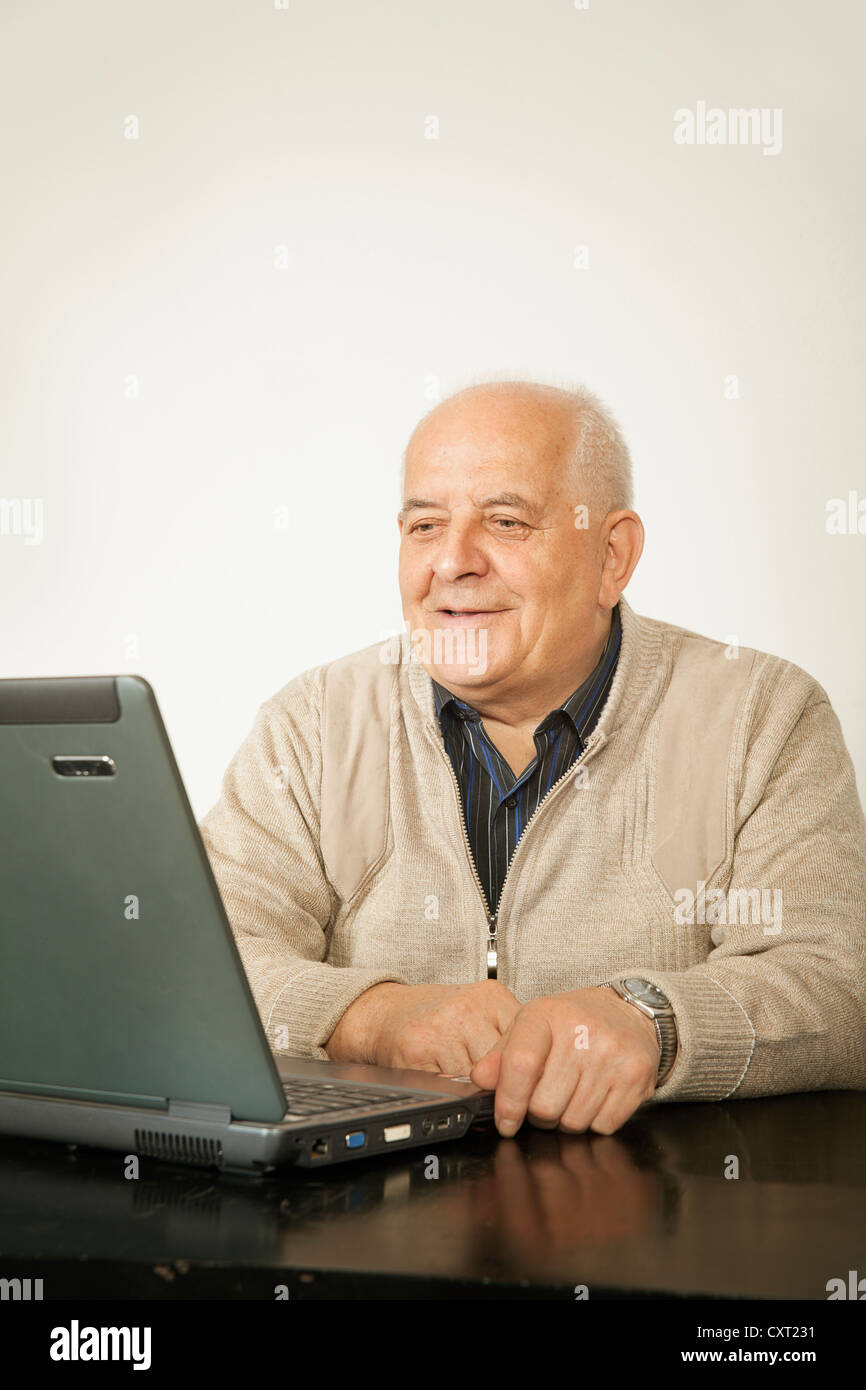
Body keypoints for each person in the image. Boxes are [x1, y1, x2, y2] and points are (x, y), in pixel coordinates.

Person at [199, 380, 866, 1137]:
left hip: (658, 1223)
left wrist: (652, 1021)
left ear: (612, 556)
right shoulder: (313, 724)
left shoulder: (763, 716)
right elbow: (194, 965)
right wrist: (370, 1016)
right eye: (424, 526)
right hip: (371, 1217)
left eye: (506, 522)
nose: (452, 562)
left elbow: (837, 991)